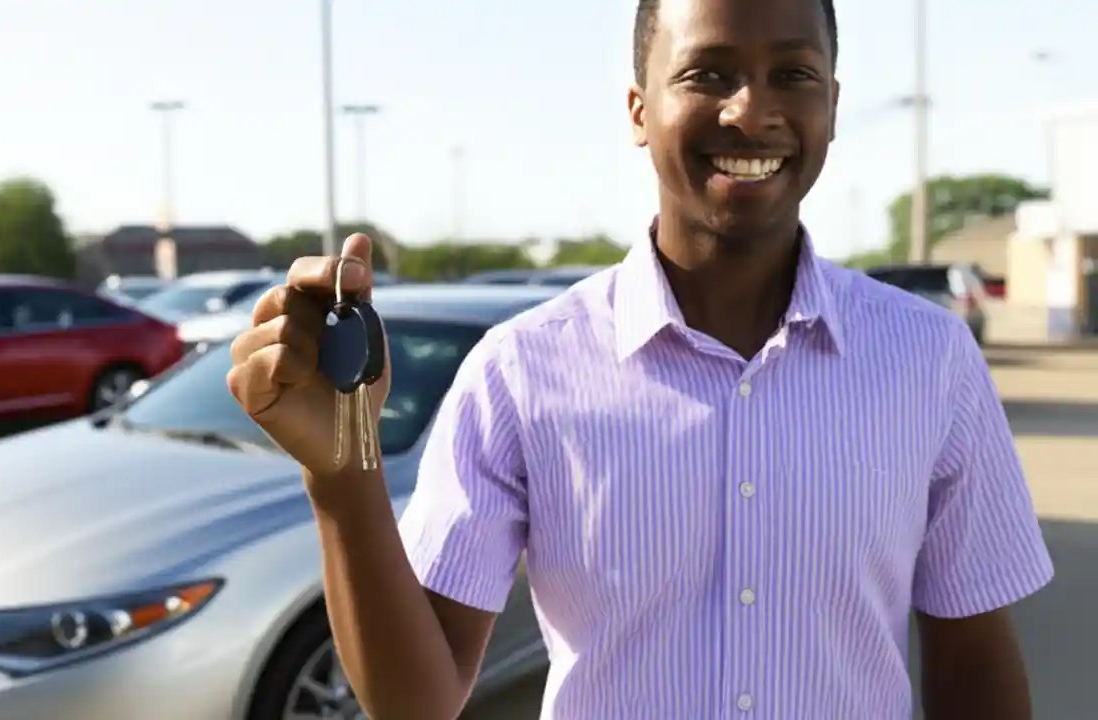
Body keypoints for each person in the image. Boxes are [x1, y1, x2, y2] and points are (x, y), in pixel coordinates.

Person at [227, 0, 1054, 716]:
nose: (750, 112)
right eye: (708, 74)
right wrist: (344, 484)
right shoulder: (520, 372)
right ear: (638, 108)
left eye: (793, 75)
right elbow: (418, 701)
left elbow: (973, 657)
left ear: (832, 106)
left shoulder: (929, 359)